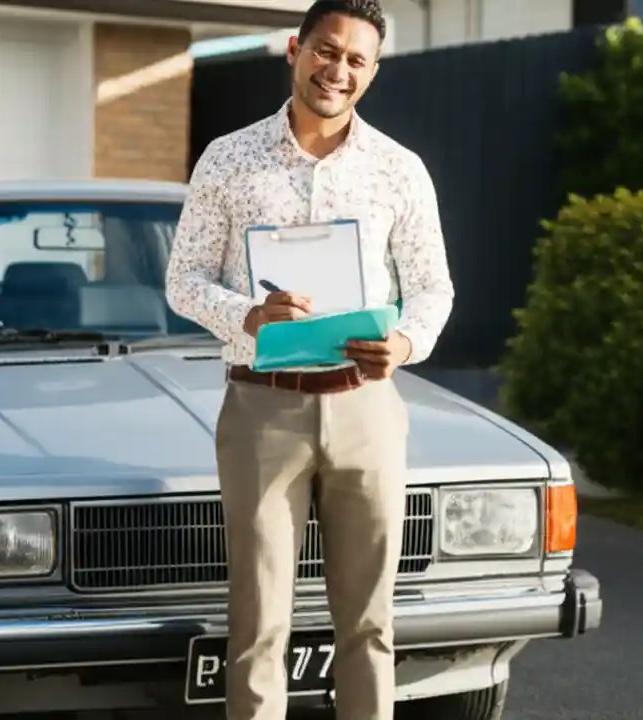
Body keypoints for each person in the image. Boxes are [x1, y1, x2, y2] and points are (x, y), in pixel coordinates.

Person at [163, 2, 455, 719]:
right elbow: (182, 279)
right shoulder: (228, 159)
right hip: (263, 409)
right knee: (259, 625)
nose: (339, 70)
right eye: (327, 51)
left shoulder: (399, 170)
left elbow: (431, 287)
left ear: (373, 72)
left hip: (367, 409)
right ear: (295, 50)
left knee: (369, 625)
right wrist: (247, 315)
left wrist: (407, 343)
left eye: (357, 60)